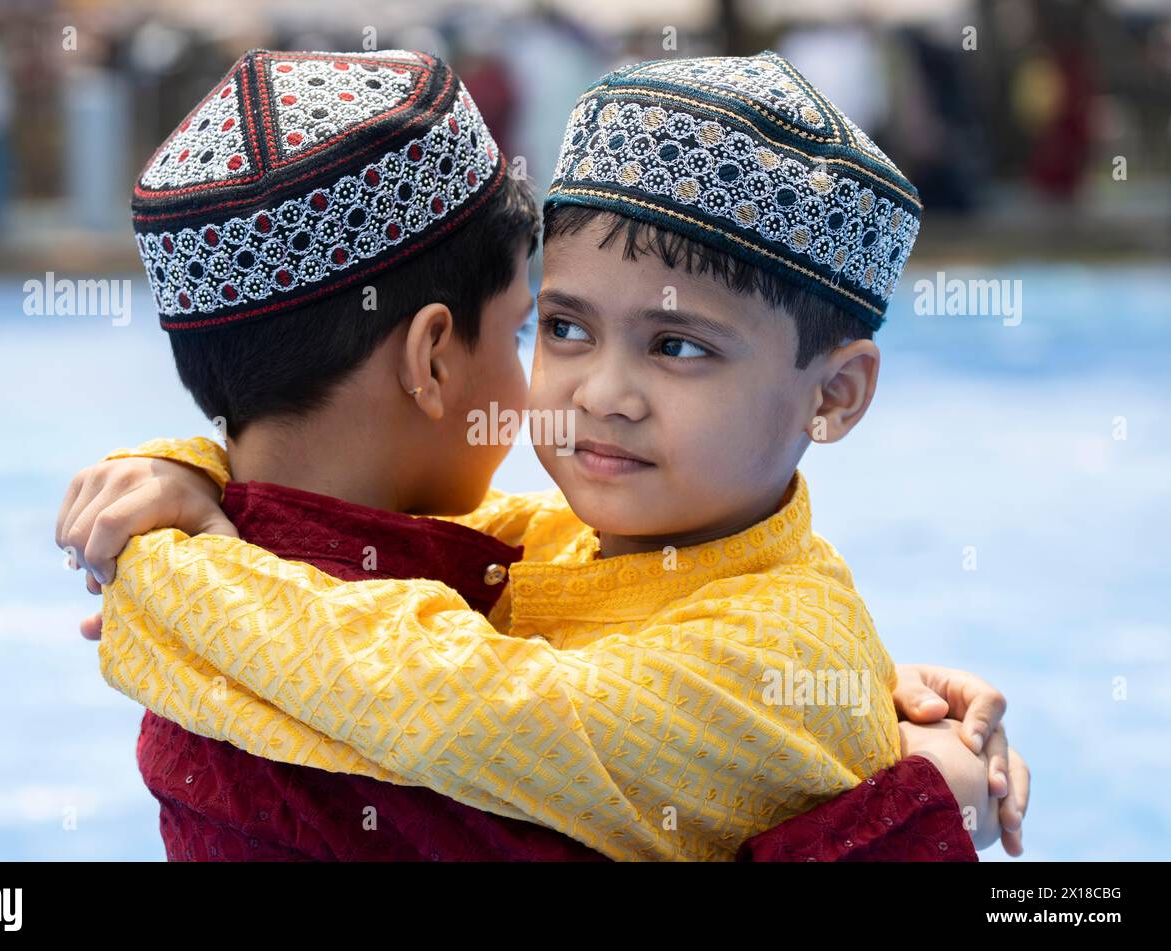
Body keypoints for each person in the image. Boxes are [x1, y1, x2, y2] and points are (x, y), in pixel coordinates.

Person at [60, 51, 1028, 861]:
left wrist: (165, 571)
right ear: (433, 354)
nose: (600, 393)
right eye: (557, 328)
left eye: (678, 346)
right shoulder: (559, 542)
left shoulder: (774, 648)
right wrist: (188, 474)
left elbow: (472, 708)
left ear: (835, 392)